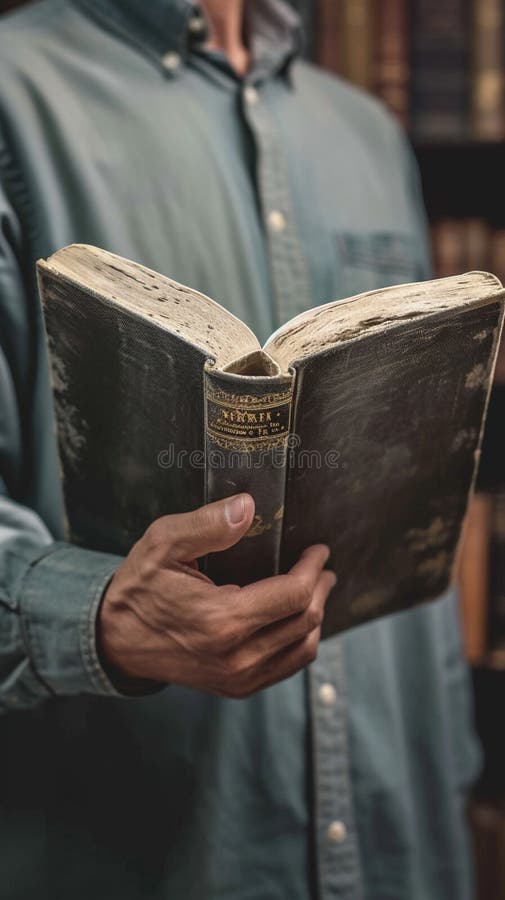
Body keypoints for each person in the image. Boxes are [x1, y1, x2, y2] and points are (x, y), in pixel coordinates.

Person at [0, 1, 480, 898]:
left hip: (401, 845)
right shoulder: (14, 98)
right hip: (143, 853)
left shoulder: (366, 133)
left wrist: (448, 785)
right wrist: (98, 616)